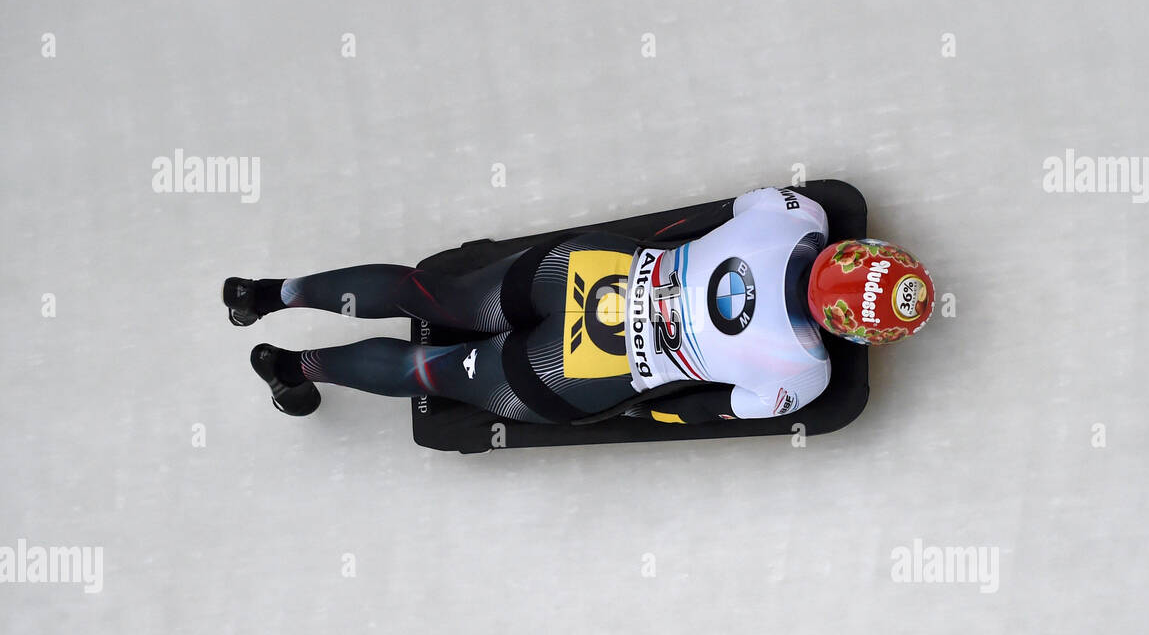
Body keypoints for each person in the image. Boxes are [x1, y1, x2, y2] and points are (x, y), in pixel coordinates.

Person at [223, 186, 935, 423]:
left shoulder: (795, 214)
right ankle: (294, 365)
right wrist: (644, 408)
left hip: (584, 270)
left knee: (428, 290)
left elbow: (700, 222)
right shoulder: (802, 371)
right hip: (579, 365)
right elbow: (699, 409)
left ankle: (267, 294)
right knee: (429, 372)